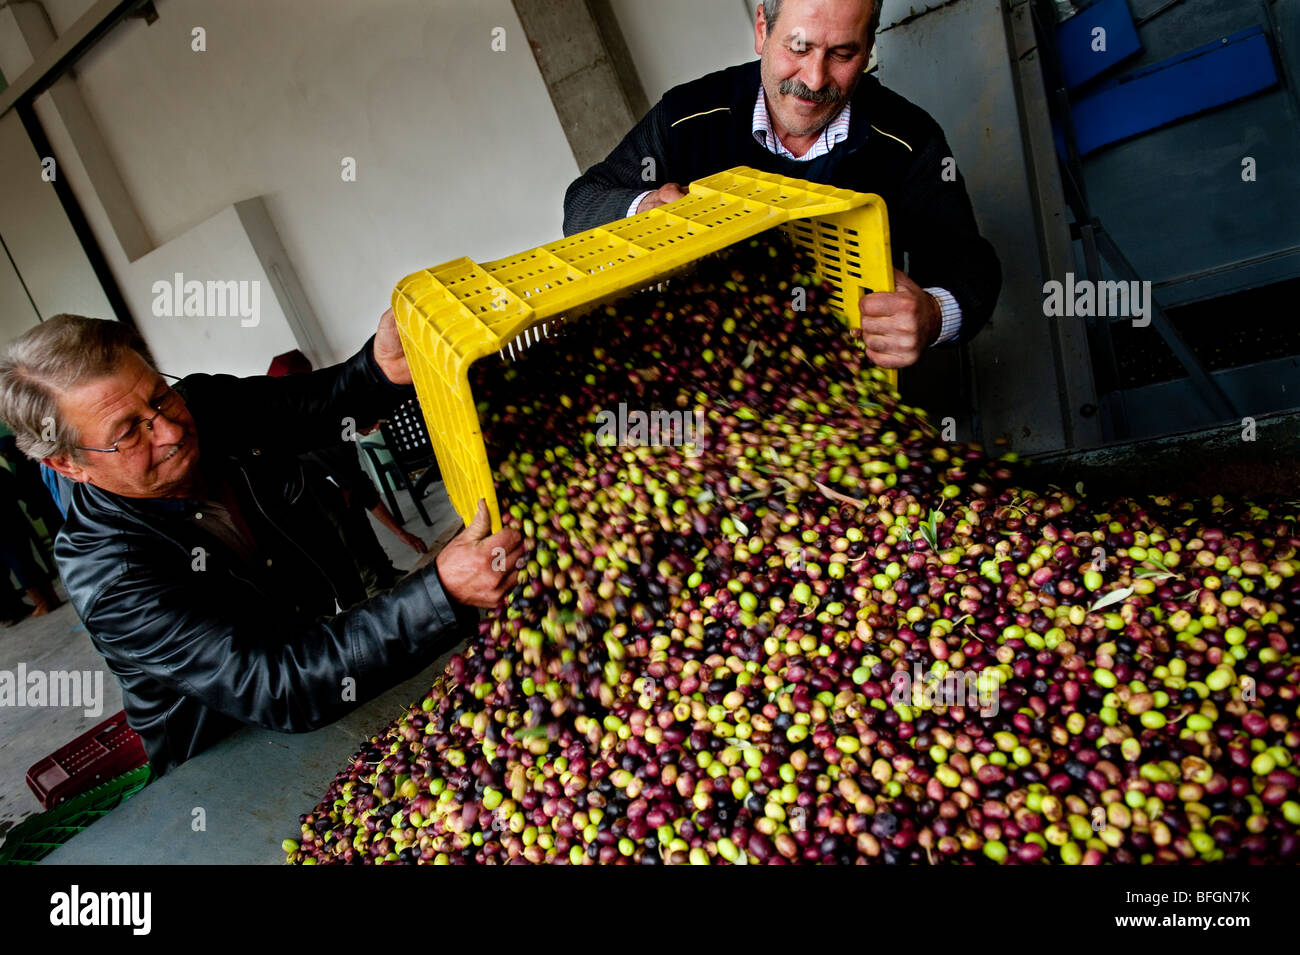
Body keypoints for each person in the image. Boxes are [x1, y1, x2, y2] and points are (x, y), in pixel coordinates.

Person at [0, 313, 522, 774]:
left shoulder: (206, 409)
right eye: (128, 432)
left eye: (160, 396)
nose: (169, 431)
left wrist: (379, 369)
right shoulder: (112, 573)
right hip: (232, 759)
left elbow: (317, 404)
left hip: (325, 680)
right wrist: (440, 592)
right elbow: (273, 684)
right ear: (66, 464)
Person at [563, 0, 1001, 370]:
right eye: (799, 47)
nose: (814, 79)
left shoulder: (908, 140)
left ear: (867, 51)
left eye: (842, 54)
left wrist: (934, 314)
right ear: (761, 31)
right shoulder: (687, 116)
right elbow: (583, 202)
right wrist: (643, 209)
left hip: (844, 379)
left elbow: (970, 264)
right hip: (708, 378)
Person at [267, 349, 426, 596]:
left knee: (351, 507)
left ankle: (384, 570)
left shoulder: (330, 418)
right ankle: (375, 588)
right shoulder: (319, 431)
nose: (375, 427)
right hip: (309, 498)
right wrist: (403, 534)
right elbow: (363, 489)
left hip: (325, 483)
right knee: (347, 530)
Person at [0, 463, 62, 621]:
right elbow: (16, 489)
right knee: (27, 561)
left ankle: (43, 603)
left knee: (18, 564)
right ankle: (51, 598)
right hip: (15, 520)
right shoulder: (1, 472)